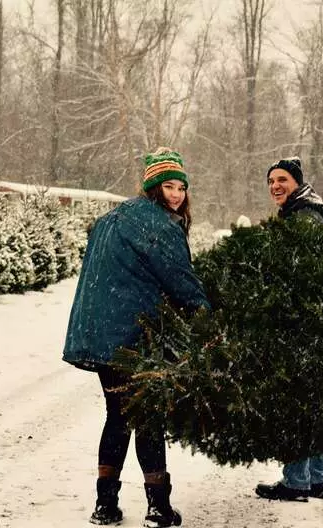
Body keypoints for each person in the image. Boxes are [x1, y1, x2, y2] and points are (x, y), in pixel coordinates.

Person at [63, 147, 208, 527]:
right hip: (132, 336)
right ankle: (158, 507)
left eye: (181, 187)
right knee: (147, 416)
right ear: (153, 188)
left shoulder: (115, 217)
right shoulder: (159, 225)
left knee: (117, 415)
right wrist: (208, 317)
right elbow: (182, 282)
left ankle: (104, 505)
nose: (176, 194)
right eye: (169, 186)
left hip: (99, 333)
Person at [254, 156, 323, 502]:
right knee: (310, 400)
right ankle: (316, 477)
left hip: (300, 323)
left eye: (282, 179)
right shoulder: (304, 213)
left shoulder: (304, 219)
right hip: (313, 322)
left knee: (294, 400)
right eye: (271, 181)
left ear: (297, 183)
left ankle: (297, 481)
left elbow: (299, 275)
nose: (275, 186)